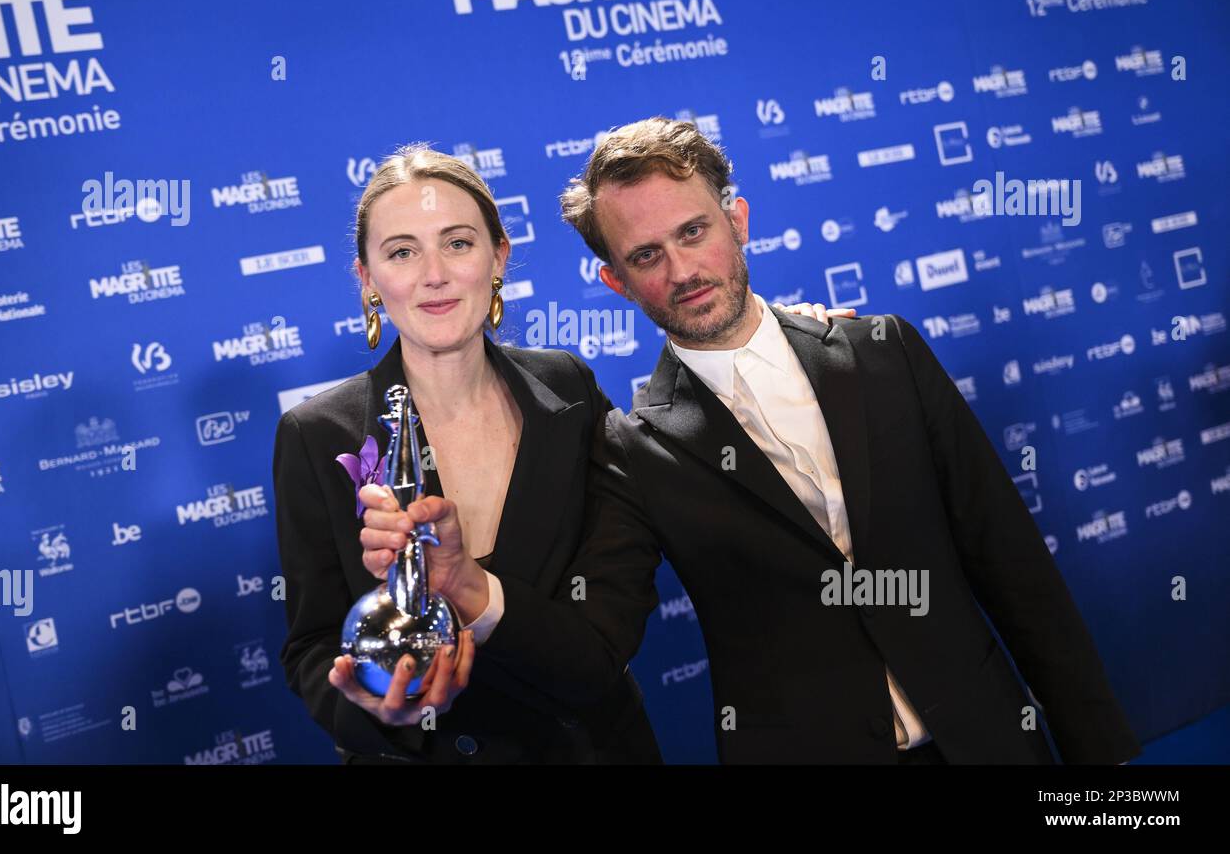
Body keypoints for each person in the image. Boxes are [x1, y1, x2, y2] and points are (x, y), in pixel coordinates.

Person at [360, 117, 1143, 765]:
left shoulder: (883, 351)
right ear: (616, 282)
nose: (683, 269)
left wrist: (1099, 757)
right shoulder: (630, 447)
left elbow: (1011, 563)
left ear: (736, 221)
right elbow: (599, 643)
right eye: (645, 256)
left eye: (694, 231)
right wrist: (468, 587)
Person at [274, 140, 847, 763]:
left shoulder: (569, 388)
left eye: (458, 243)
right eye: (402, 251)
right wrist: (378, 710)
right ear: (367, 278)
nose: (433, 273)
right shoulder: (317, 435)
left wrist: (779, 346)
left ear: (498, 256)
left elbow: (604, 639)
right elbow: (312, 646)